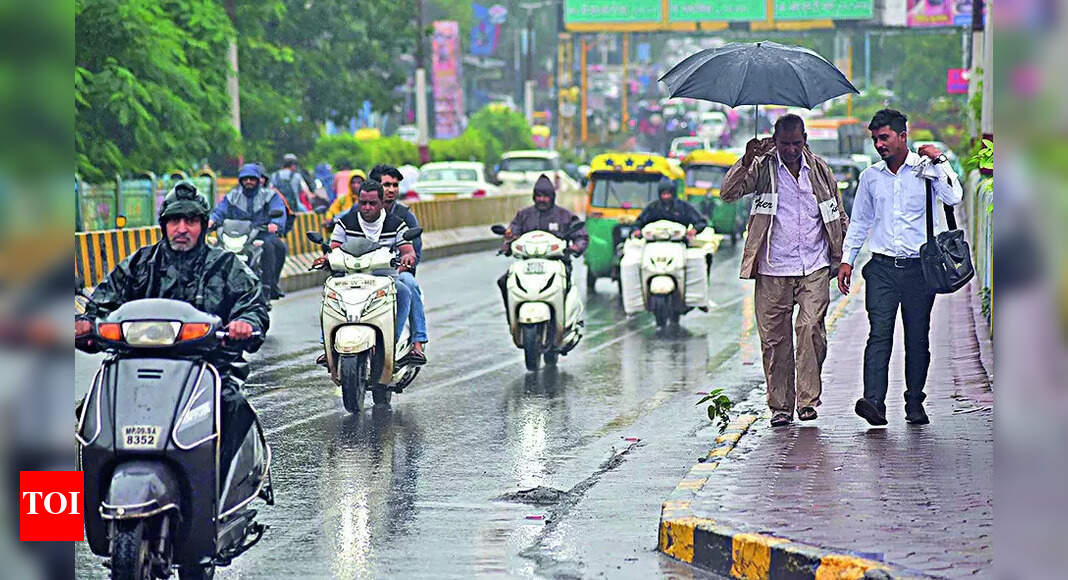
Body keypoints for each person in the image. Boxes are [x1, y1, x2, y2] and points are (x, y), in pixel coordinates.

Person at [75, 181, 269, 471]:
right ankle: (60, 512)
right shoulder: (140, 263)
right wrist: (85, 324)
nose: (182, 228)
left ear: (203, 227)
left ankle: (215, 485)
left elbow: (253, 305)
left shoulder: (226, 265)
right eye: (174, 221)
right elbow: (102, 304)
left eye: (190, 221)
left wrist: (245, 323)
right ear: (163, 225)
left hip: (209, 368)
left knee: (233, 405)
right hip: (134, 367)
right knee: (85, 415)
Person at [721, 113, 848, 427]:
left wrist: (843, 255)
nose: (790, 150)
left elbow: (837, 212)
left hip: (815, 265)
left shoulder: (820, 170)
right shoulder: (762, 167)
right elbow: (728, 193)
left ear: (804, 139)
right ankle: (781, 407)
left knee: (811, 329)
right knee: (775, 340)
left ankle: (807, 401)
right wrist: (747, 158)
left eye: (796, 143)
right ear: (774, 142)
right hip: (773, 266)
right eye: (784, 144)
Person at [838, 109, 963, 426]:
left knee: (917, 337)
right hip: (880, 269)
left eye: (885, 137)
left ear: (903, 136)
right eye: (875, 139)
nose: (879, 144)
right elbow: (860, 222)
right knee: (879, 334)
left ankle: (914, 402)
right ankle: (874, 402)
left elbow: (955, 196)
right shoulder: (870, 177)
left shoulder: (924, 171)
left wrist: (940, 160)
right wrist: (847, 260)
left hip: (919, 269)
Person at [316, 180, 428, 365]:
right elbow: (334, 249)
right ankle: (326, 345)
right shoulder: (345, 223)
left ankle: (390, 340)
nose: (367, 208)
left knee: (404, 291)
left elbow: (408, 250)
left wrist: (408, 257)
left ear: (382, 202)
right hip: (351, 276)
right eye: (363, 203)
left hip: (385, 278)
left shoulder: (396, 224)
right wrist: (326, 259)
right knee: (329, 292)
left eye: (372, 203)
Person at [498, 175, 588, 307]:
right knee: (504, 281)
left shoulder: (564, 216)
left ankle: (564, 320)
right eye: (539, 196)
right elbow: (513, 232)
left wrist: (575, 247)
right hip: (527, 265)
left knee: (565, 285)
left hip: (558, 264)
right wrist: (508, 243)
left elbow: (580, 236)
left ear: (552, 197)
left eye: (546, 196)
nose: (542, 199)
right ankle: (512, 318)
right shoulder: (524, 215)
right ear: (534, 197)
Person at [210, 163, 289, 301]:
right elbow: (220, 211)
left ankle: (268, 287)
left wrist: (275, 224)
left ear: (259, 180)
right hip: (236, 233)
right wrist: (212, 221)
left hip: (261, 233)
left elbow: (279, 211)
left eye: (252, 179)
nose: (248, 182)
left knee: (275, 247)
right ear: (240, 180)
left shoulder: (269, 196)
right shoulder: (232, 196)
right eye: (245, 179)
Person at [370, 164, 423, 267]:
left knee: (408, 282)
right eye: (386, 185)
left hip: (397, 272)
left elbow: (416, 252)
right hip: (364, 272)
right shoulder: (361, 213)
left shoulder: (406, 216)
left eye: (395, 185)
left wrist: (403, 266)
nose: (392, 189)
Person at [632, 177, 707, 238]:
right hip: (653, 241)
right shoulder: (652, 207)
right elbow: (639, 222)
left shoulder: (684, 207)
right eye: (663, 194)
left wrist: (694, 230)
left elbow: (701, 222)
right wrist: (637, 230)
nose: (666, 197)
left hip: (679, 241)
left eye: (668, 194)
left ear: (673, 193)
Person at [270, 153, 313, 221]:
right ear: (293, 165)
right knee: (307, 215)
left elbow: (270, 190)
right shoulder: (297, 176)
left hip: (277, 207)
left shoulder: (274, 175)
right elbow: (307, 193)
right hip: (295, 207)